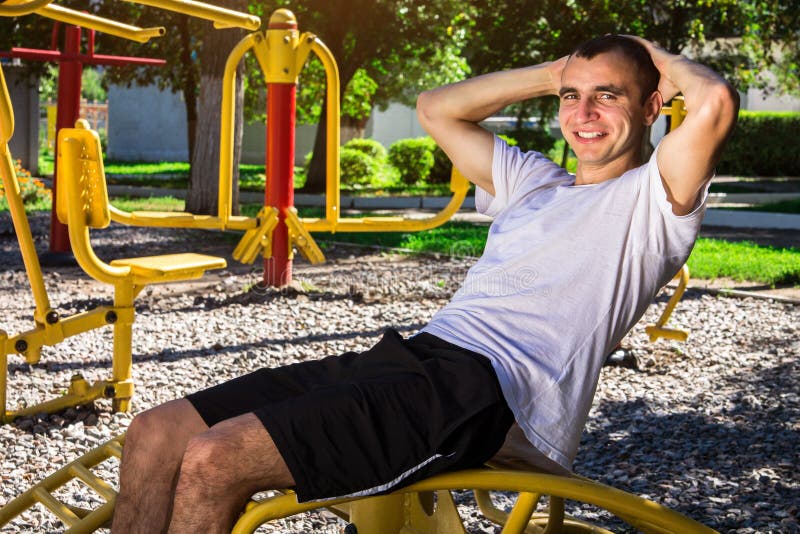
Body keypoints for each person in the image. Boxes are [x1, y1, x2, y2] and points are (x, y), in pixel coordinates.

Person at [112, 35, 738, 533]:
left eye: (608, 95)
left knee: (215, 459)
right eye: (572, 97)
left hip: (488, 392)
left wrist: (647, 54)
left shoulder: (651, 200)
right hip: (415, 358)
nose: (584, 113)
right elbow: (436, 107)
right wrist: (556, 72)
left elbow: (714, 102)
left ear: (652, 107)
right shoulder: (535, 182)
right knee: (155, 434)